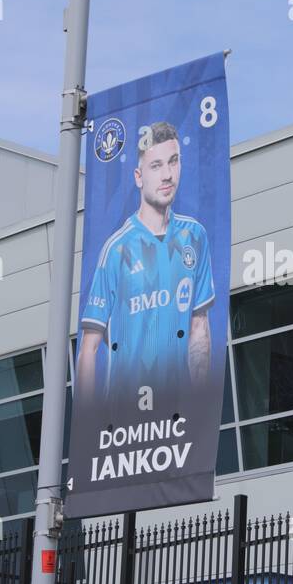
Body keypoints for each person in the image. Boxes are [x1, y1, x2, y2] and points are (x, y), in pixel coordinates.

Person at [77, 121, 214, 406]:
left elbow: (199, 327)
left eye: (173, 162)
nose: (167, 175)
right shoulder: (116, 250)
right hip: (125, 418)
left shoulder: (195, 236)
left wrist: (201, 404)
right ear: (139, 177)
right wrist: (89, 422)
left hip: (177, 413)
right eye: (156, 166)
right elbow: (88, 349)